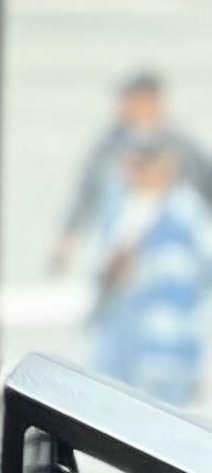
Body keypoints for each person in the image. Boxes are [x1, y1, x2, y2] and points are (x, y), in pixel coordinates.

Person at [88, 133, 212, 409]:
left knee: (162, 417)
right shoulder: (119, 207)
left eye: (143, 165)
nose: (134, 173)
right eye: (130, 165)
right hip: (119, 337)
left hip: (167, 342)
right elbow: (99, 264)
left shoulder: (186, 213)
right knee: (111, 411)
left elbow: (203, 273)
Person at [49, 71, 208, 275]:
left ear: (152, 100)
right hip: (121, 244)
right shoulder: (110, 142)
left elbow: (205, 184)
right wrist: (69, 233)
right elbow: (87, 188)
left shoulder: (179, 144)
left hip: (173, 245)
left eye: (130, 99)